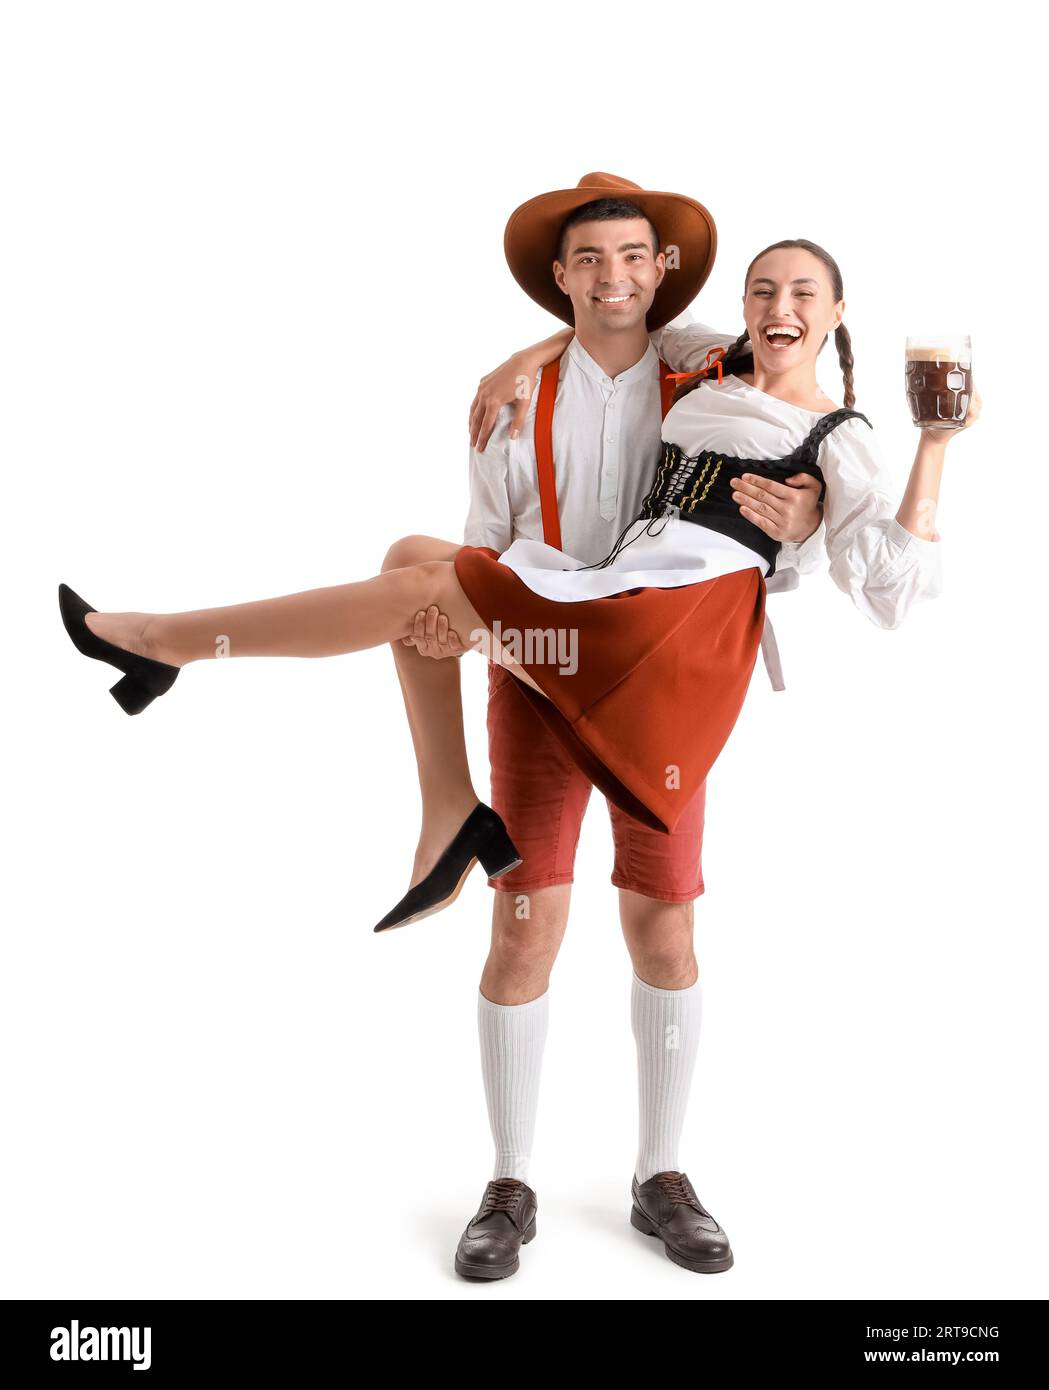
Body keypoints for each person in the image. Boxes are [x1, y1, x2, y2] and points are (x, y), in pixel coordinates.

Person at [58, 214, 980, 1279]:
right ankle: (506, 1162)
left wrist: (917, 458)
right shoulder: (704, 364)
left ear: (835, 313)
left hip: (656, 648)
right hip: (579, 616)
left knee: (662, 928)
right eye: (762, 290)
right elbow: (611, 328)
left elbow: (898, 591)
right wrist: (519, 352)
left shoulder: (843, 436)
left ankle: (659, 1170)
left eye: (800, 295)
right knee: (417, 568)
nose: (776, 309)